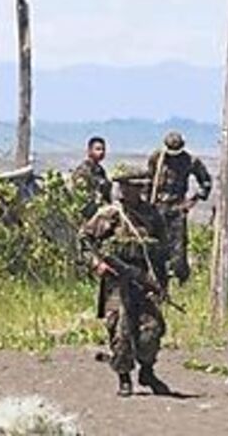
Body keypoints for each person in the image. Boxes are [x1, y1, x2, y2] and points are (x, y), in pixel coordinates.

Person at [79, 168, 171, 397]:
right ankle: (124, 377)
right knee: (120, 331)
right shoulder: (110, 214)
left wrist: (161, 283)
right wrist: (96, 264)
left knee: (152, 329)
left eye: (139, 187)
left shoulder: (151, 215)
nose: (136, 191)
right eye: (132, 186)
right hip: (117, 283)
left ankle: (147, 372)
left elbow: (161, 250)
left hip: (143, 280)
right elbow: (84, 239)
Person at [146, 131, 212, 284]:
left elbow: (206, 182)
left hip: (177, 209)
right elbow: (148, 181)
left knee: (178, 251)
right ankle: (158, 282)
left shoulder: (190, 160)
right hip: (157, 209)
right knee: (156, 249)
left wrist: (193, 200)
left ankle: (180, 282)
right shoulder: (156, 158)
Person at [71, 136, 112, 220]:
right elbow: (80, 194)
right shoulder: (83, 170)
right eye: (98, 149)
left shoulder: (100, 170)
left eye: (103, 149)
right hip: (87, 212)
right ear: (89, 151)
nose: (101, 152)